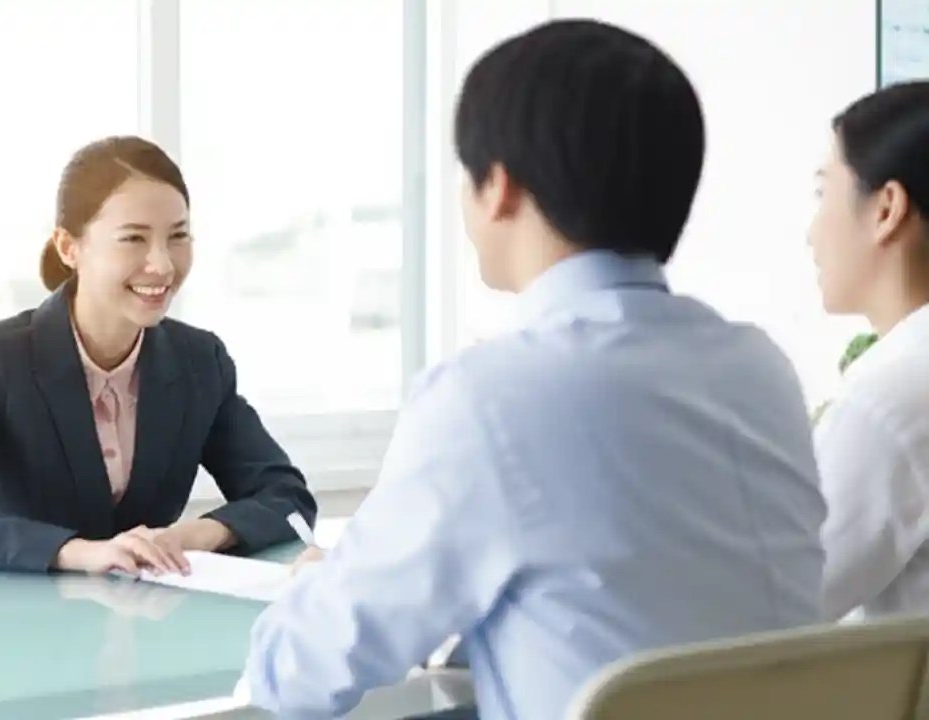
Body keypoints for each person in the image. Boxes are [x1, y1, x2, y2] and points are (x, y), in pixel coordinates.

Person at [241, 19, 825, 719]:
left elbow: (297, 677)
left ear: (500, 187)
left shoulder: (489, 398)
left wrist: (316, 586)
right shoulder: (760, 371)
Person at [0, 136, 317, 575]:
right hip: (17, 610)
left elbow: (285, 497)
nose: (163, 265)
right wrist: (78, 552)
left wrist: (189, 537)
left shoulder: (199, 362)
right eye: (133, 238)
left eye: (178, 236)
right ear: (69, 247)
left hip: (149, 608)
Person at [809, 82, 929, 619]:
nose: (811, 233)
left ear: (886, 210)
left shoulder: (893, 397)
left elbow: (774, 599)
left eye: (822, 193)